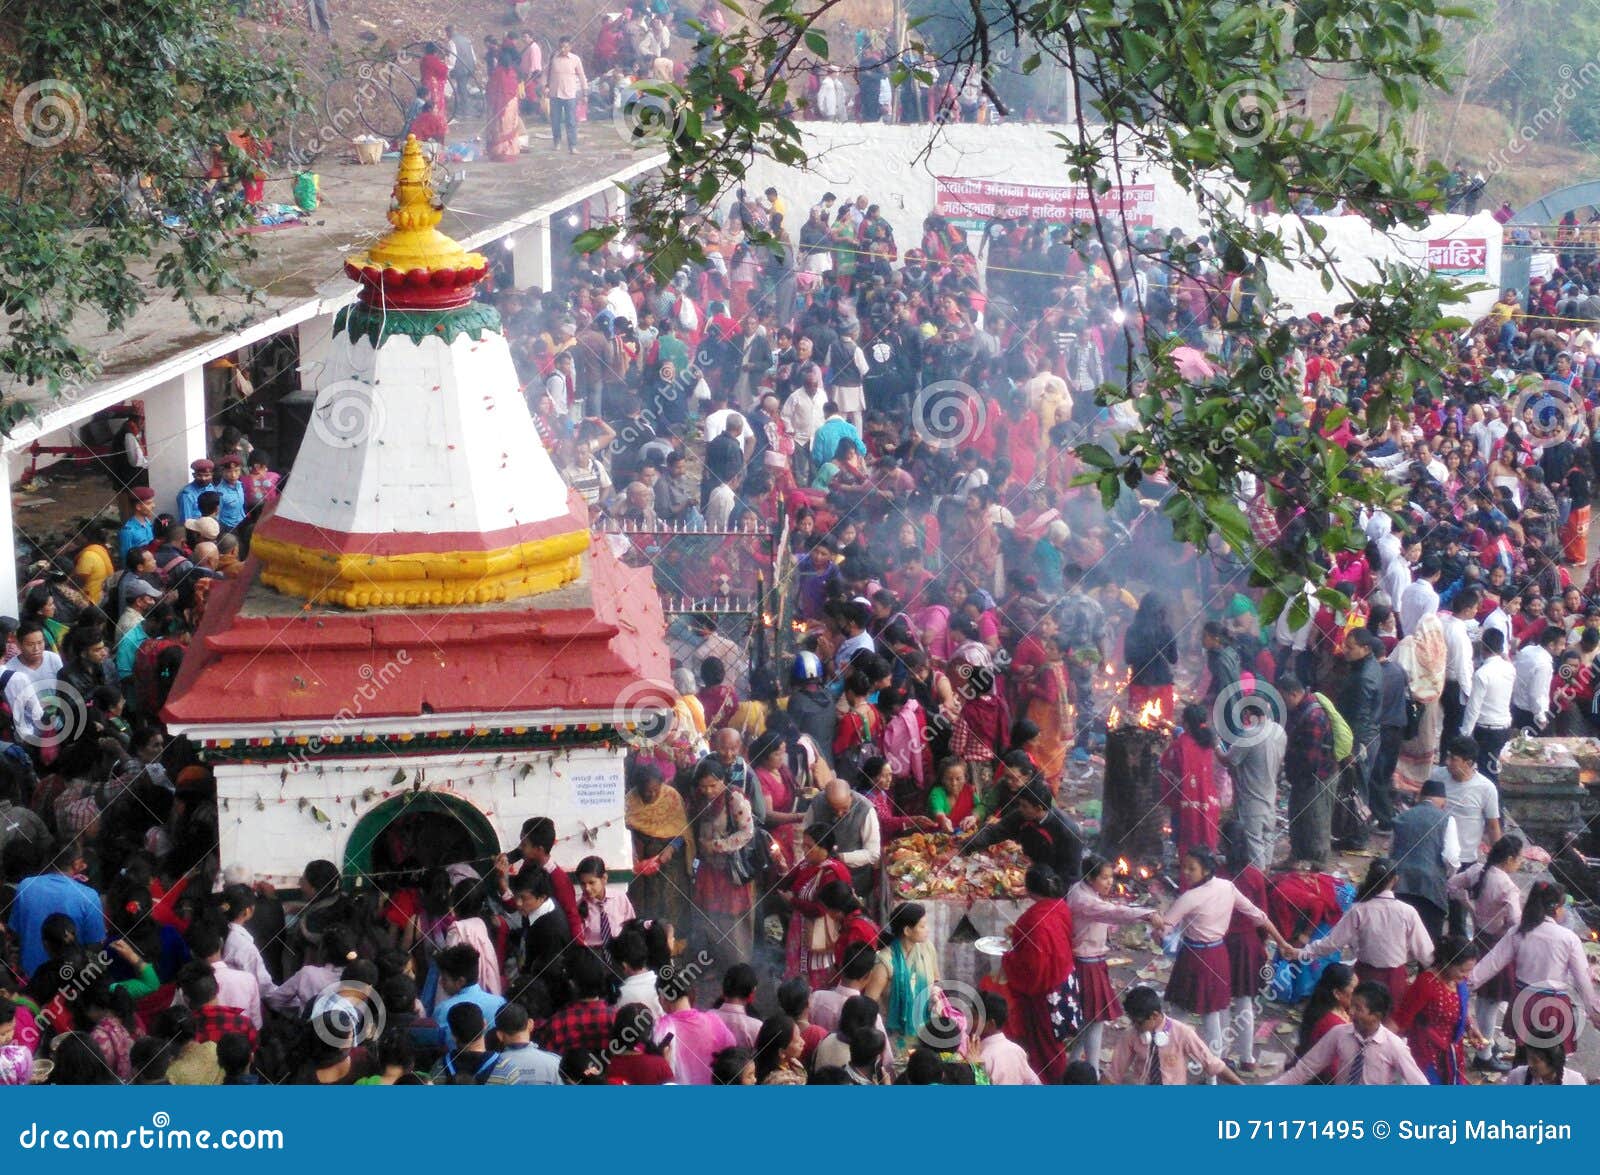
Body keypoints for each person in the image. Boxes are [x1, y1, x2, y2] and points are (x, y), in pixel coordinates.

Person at [1160, 846, 1294, 1056]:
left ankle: (1168, 1059)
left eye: (1191, 868)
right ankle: (1218, 1066)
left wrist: (1154, 921)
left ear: (1206, 870)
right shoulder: (1227, 887)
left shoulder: (1189, 897)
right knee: (1213, 1013)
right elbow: (1258, 915)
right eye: (1184, 867)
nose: (1185, 872)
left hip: (1193, 956)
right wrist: (1282, 942)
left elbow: (1164, 930)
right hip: (1218, 954)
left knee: (1180, 1012)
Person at [1470, 881, 1600, 1057]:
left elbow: (1490, 964)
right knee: (1550, 1062)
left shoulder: (1519, 931)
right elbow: (1583, 981)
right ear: (1557, 908)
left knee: (1523, 1058)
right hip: (1552, 1006)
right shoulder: (1568, 938)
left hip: (1522, 1002)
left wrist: (1463, 983)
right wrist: (1594, 1013)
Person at [1066, 856, 1163, 1073]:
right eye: (1104, 878)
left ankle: (1073, 1063)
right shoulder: (1084, 900)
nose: (1110, 882)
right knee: (1095, 1019)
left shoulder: (1081, 890)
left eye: (1111, 877)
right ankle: (1091, 1068)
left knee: (1090, 1020)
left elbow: (1112, 909)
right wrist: (1147, 914)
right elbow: (1114, 912)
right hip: (1086, 963)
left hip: (1091, 961)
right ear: (1090, 878)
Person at [1305, 856, 1435, 1008]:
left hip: (1364, 976)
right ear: (1395, 880)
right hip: (1395, 979)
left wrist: (1304, 952)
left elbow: (1332, 943)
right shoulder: (1408, 912)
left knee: (1360, 1019)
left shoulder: (1359, 910)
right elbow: (1426, 953)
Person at [1447, 834, 1523, 1073]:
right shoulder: (1507, 886)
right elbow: (1516, 921)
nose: (1520, 863)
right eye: (1519, 859)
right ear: (1510, 859)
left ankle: (1484, 1045)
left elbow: (1451, 885)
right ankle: (1484, 1053)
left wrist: (1469, 906)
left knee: (1483, 998)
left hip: (1478, 936)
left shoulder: (1479, 870)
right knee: (1490, 1002)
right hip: (1496, 944)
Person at [1000, 864, 1077, 1082]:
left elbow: (1032, 967)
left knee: (1045, 1047)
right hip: (1064, 982)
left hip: (1045, 993)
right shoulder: (1060, 906)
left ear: (1029, 889)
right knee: (1055, 1043)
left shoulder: (1032, 919)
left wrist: (1008, 957)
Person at [1273, 982, 1428, 1084]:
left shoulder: (1394, 1046)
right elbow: (1304, 1069)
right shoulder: (1339, 1034)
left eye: (1358, 1009)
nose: (1351, 1012)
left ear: (1377, 1015)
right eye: (1352, 1005)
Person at [1107, 986, 1241, 1085]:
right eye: (1132, 1021)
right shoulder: (1131, 1035)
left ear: (1154, 1016)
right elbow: (1114, 1073)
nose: (1135, 1026)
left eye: (1139, 1022)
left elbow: (1212, 1064)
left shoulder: (1182, 1032)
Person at [1392, 936, 1481, 1084]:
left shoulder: (1458, 981)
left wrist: (1469, 1027)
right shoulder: (1426, 984)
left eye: (1469, 971)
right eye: (1462, 970)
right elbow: (1400, 1020)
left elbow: (1460, 1007)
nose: (1467, 976)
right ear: (1446, 962)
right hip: (1427, 1056)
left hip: (1452, 1054)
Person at [1389, 775, 1461, 941]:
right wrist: (1447, 876)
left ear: (1419, 798)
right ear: (1443, 803)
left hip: (1400, 884)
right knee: (1429, 941)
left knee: (1400, 938)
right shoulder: (1446, 819)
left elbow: (1391, 851)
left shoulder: (1401, 817)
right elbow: (1451, 857)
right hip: (1431, 888)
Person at [1281, 675, 1337, 866]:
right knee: (1297, 819)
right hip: (1301, 777)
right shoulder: (1300, 709)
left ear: (1294, 694)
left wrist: (1296, 773)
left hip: (1315, 778)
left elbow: (1310, 758)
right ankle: (1296, 857)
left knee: (1316, 821)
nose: (1282, 703)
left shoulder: (1314, 716)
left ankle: (1318, 868)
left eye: (1283, 698)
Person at [875, 902, 941, 1053]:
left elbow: (936, 979)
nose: (928, 930)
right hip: (894, 1034)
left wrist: (935, 993)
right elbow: (870, 1001)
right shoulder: (885, 961)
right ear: (907, 930)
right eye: (922, 926)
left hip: (926, 1028)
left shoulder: (927, 948)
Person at [1159, 703, 1221, 857]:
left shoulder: (1180, 744)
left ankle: (1187, 865)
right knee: (1205, 836)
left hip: (1185, 802)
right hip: (1208, 800)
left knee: (1185, 839)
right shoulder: (1208, 740)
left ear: (1186, 723)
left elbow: (1165, 766)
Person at [1460, 627, 1515, 785]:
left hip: (1486, 730)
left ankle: (1492, 805)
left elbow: (1473, 707)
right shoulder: (1510, 669)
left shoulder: (1482, 674)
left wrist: (1465, 733)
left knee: (1485, 774)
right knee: (1494, 770)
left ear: (1483, 647)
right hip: (1504, 726)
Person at [1293, 963, 1357, 1082]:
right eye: (1355, 989)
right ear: (1337, 994)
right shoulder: (1333, 1024)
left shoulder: (1326, 1008)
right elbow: (1334, 1070)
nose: (1359, 994)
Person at [484, 45, 524, 161]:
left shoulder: (496, 73)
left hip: (498, 105)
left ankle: (499, 151)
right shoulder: (513, 73)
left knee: (499, 128)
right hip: (511, 104)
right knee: (510, 127)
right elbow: (514, 88)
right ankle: (511, 150)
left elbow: (490, 88)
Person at [547, 37, 586, 152]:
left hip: (570, 94)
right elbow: (546, 73)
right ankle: (557, 141)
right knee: (555, 120)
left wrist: (585, 93)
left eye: (565, 46)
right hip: (555, 94)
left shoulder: (575, 59)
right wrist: (545, 86)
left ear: (570, 47)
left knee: (571, 121)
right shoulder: (553, 58)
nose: (563, 49)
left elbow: (582, 76)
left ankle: (572, 145)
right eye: (561, 46)